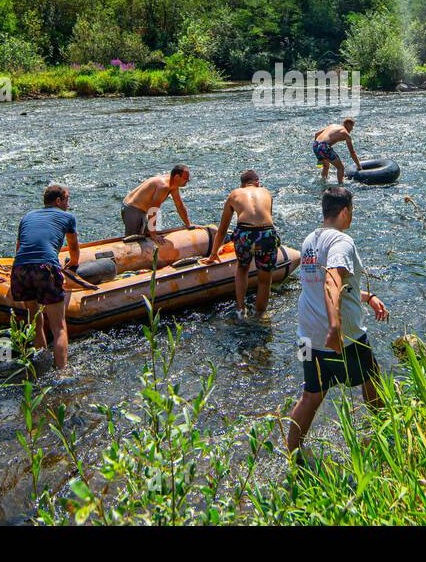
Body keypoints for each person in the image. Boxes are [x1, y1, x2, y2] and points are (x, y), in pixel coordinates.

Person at [287, 186, 389, 456]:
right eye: (351, 211)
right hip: (343, 334)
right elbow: (333, 278)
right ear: (345, 211)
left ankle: (293, 454)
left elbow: (325, 284)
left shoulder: (311, 239)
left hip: (307, 335)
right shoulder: (342, 242)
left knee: (311, 394)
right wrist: (335, 326)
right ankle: (383, 436)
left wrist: (367, 297)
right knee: (372, 379)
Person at [10, 184, 80, 370]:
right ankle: (61, 373)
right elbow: (73, 247)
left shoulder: (27, 217)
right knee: (59, 327)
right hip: (45, 267)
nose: (68, 204)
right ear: (58, 201)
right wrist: (73, 264)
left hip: (20, 269)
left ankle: (38, 361)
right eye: (67, 199)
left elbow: (18, 249)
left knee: (35, 318)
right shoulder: (67, 217)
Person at [203, 169, 281, 316]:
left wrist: (213, 254)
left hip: (244, 234)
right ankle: (260, 314)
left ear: (242, 185)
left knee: (242, 268)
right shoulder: (266, 192)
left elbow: (222, 229)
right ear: (257, 183)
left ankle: (240, 309)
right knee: (264, 280)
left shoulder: (234, 194)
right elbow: (267, 219)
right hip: (266, 234)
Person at [121, 165, 191, 243]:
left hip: (140, 210)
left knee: (146, 235)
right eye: (185, 178)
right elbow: (153, 210)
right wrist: (153, 234)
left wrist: (188, 224)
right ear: (177, 177)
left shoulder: (173, 184)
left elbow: (179, 205)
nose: (188, 180)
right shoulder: (164, 187)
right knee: (134, 241)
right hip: (132, 210)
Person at [312, 119, 361, 185]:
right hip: (324, 146)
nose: (352, 129)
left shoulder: (333, 125)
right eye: (352, 126)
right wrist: (359, 166)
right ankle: (341, 186)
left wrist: (319, 152)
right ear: (348, 124)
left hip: (315, 145)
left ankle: (323, 182)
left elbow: (316, 134)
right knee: (340, 167)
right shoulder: (345, 133)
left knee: (326, 166)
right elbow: (352, 152)